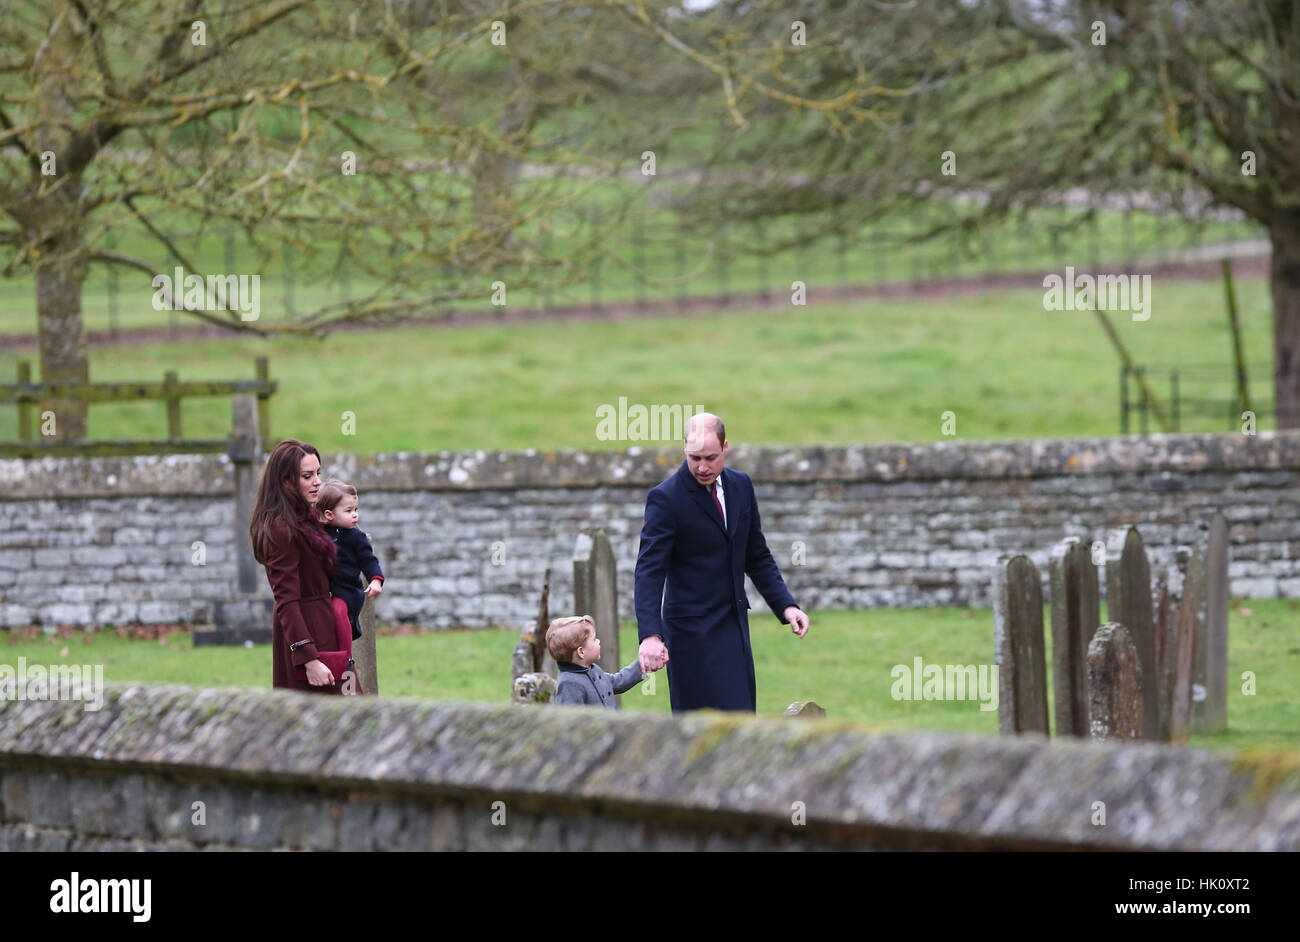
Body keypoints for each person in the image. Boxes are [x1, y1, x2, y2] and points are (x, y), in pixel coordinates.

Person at [633, 413, 809, 713]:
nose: (702, 467)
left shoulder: (741, 486)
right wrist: (651, 635)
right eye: (694, 458)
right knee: (698, 732)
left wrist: (786, 605)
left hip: (733, 630)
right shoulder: (666, 499)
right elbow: (649, 571)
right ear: (684, 450)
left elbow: (756, 555)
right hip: (689, 637)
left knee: (740, 720)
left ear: (725, 448)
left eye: (710, 458)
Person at [249, 439, 356, 695]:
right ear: (286, 481)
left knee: (349, 714)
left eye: (318, 473)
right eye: (308, 476)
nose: (318, 481)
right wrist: (309, 659)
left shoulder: (306, 516)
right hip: (306, 635)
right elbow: (285, 600)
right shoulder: (281, 528)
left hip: (325, 622)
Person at [315, 479, 385, 641]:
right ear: (329, 514)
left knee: (339, 613)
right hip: (325, 591)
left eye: (356, 509)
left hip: (347, 591)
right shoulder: (318, 534)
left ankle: (346, 657)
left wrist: (376, 580)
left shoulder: (357, 537)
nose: (355, 514)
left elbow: (368, 560)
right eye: (348, 510)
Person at [548, 615, 644, 708]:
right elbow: (572, 721)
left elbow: (616, 682)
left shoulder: (591, 669)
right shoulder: (568, 684)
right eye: (594, 639)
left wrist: (643, 666)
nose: (598, 641)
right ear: (581, 652)